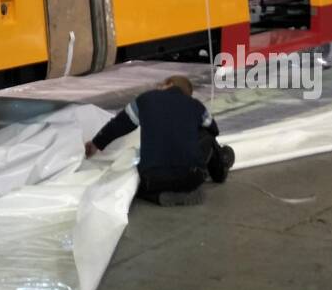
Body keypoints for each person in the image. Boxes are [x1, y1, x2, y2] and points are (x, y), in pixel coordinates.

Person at [84, 76, 235, 206]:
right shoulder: (195, 106)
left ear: (169, 84)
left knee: (144, 180)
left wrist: (96, 143)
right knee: (206, 133)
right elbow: (214, 129)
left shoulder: (146, 99)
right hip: (191, 176)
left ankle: (157, 196)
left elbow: (119, 124)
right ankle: (219, 170)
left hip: (152, 180)